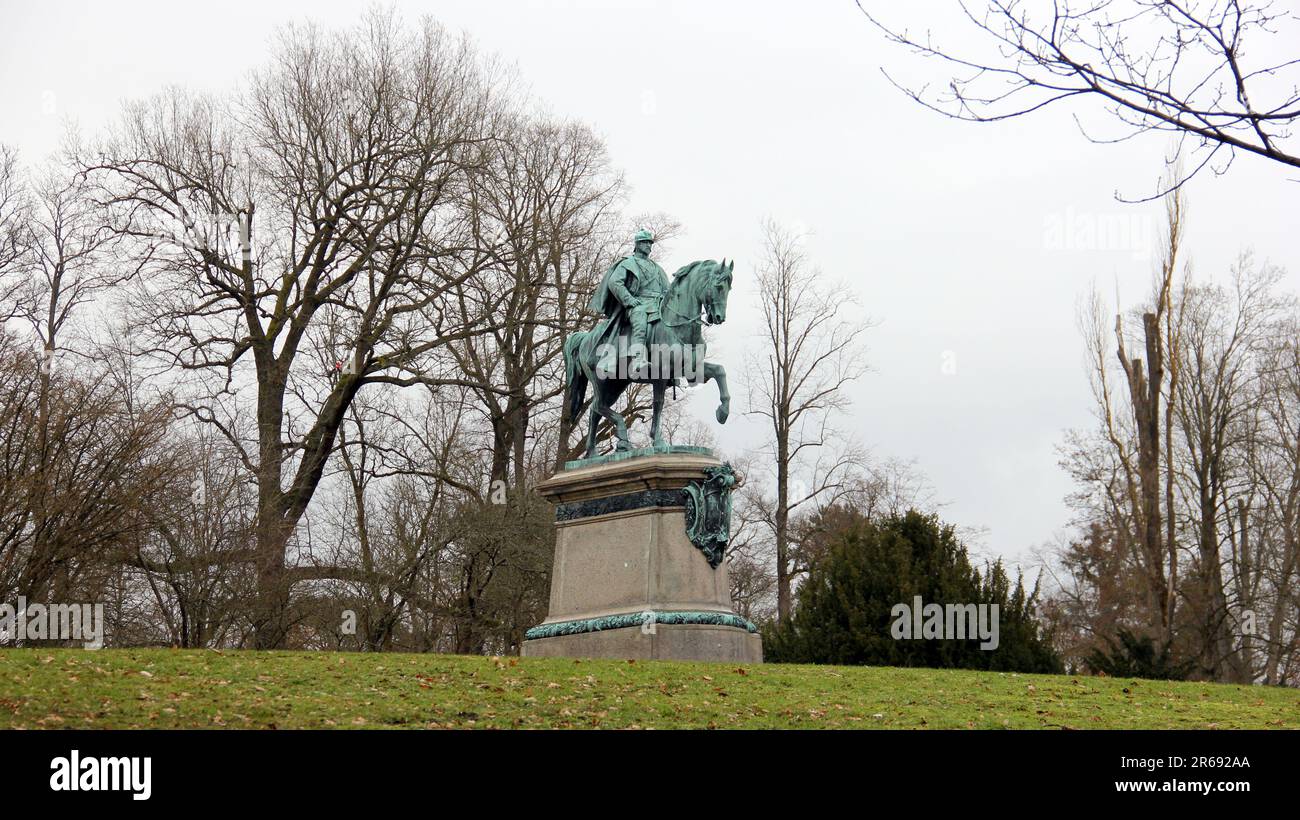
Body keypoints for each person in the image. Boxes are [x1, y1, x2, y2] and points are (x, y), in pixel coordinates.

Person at [587, 229, 671, 376]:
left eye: (650, 243)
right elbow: (615, 282)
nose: (648, 246)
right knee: (640, 323)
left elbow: (667, 290)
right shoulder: (628, 263)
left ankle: (670, 366)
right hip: (638, 304)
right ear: (637, 244)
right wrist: (629, 300)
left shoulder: (657, 268)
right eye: (645, 242)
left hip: (657, 305)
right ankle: (639, 359)